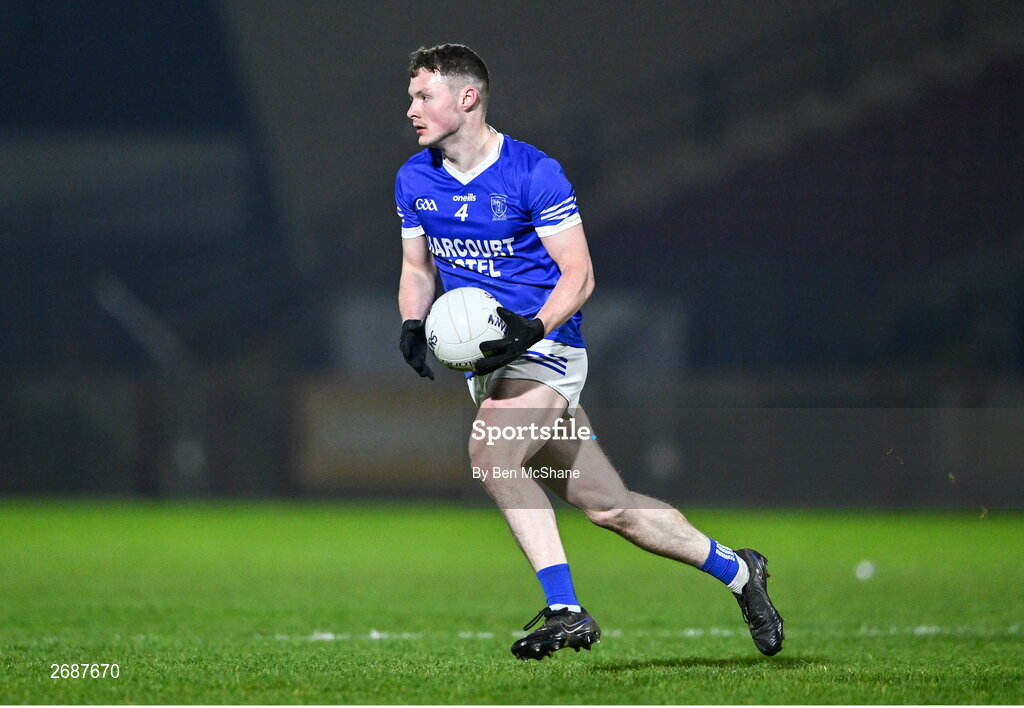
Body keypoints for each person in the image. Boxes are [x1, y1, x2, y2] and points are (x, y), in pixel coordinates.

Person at [395, 43, 783, 661]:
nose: (411, 108)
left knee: (491, 452)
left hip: (547, 350)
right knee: (613, 510)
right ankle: (740, 571)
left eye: (424, 95)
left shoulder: (531, 171)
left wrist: (533, 326)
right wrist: (413, 323)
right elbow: (416, 268)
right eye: (412, 96)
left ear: (466, 98)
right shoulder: (415, 178)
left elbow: (579, 274)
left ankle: (566, 610)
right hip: (492, 367)